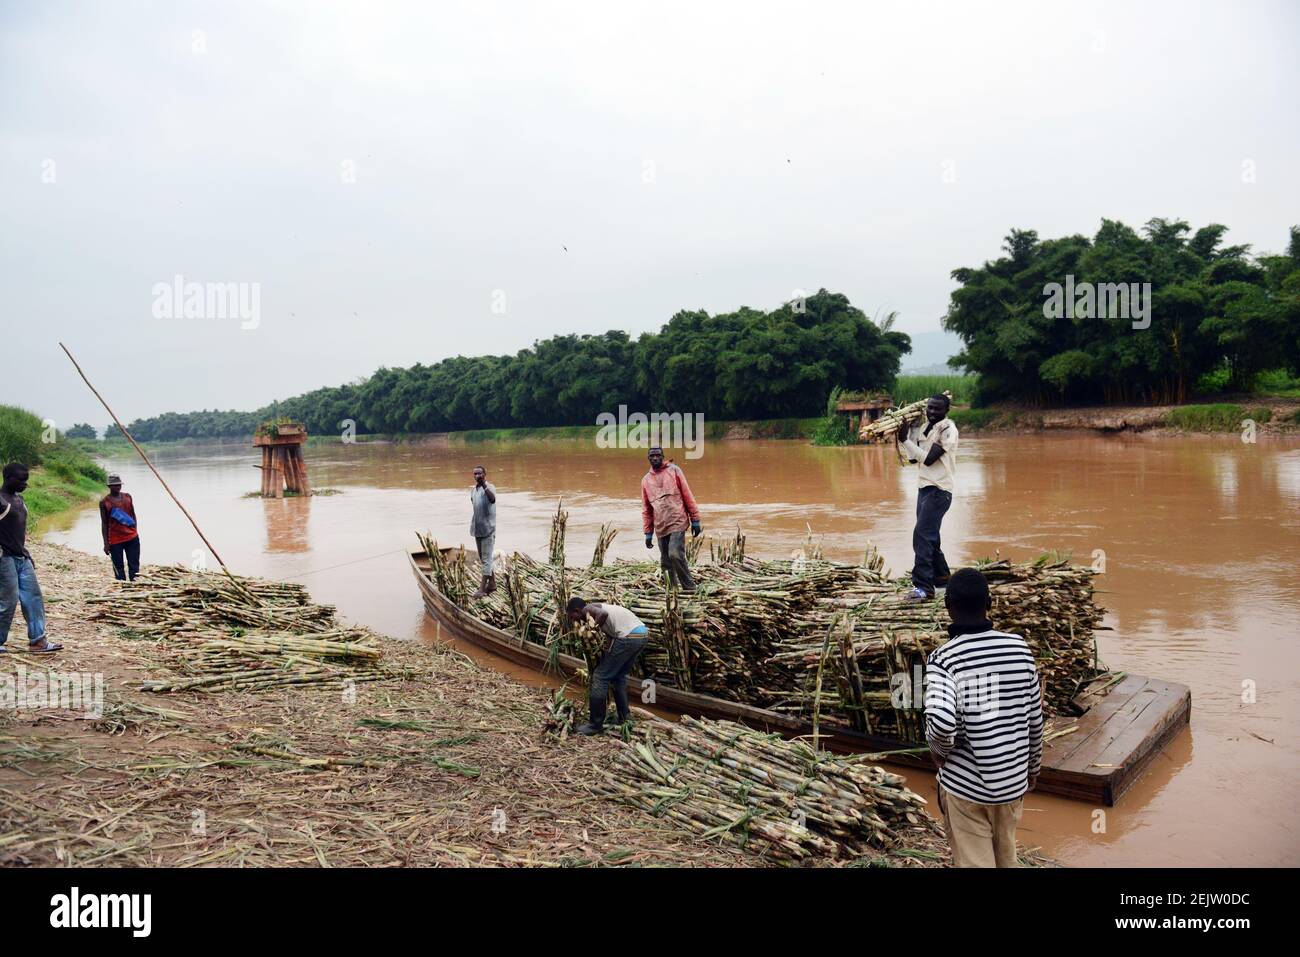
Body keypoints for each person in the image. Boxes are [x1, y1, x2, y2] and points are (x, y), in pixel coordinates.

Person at [924, 567, 1042, 868]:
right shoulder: (1020, 650)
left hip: (968, 788)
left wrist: (939, 754)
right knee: (1006, 858)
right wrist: (1032, 769)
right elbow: (1034, 719)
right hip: (1012, 783)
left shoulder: (945, 658)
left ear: (948, 606)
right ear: (989, 603)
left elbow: (940, 723)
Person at [897, 394, 958, 600]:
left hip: (940, 490)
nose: (932, 412)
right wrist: (909, 434)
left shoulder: (948, 429)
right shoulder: (924, 428)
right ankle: (941, 577)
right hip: (924, 489)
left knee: (922, 536)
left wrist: (905, 439)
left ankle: (924, 588)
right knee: (931, 536)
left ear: (946, 410)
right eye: (930, 408)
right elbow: (915, 459)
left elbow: (930, 459)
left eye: (937, 409)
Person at [0, 463, 62, 654]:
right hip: (4, 558)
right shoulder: (0, 500)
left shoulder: (19, 500)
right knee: (8, 601)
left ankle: (38, 641)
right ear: (8, 477)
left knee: (33, 597)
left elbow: (18, 531)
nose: (25, 483)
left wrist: (26, 552)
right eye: (21, 479)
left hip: (21, 557)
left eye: (26, 480)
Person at [566, 596, 649, 736]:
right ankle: (624, 717)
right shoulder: (598, 608)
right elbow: (612, 632)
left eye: (572, 616)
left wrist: (591, 629)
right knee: (618, 677)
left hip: (629, 637)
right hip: (641, 635)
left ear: (577, 610)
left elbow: (603, 616)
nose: (573, 620)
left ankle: (595, 724)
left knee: (600, 676)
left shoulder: (588, 609)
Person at [640, 446, 702, 592]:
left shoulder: (674, 471)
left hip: (677, 519)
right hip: (661, 525)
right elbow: (646, 509)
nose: (655, 458)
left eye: (658, 455)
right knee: (665, 561)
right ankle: (671, 590)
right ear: (648, 459)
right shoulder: (646, 480)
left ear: (663, 456)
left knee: (675, 553)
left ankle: (689, 587)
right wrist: (648, 533)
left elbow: (687, 494)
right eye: (652, 456)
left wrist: (695, 519)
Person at [100, 473, 140, 581]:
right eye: (115, 485)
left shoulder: (127, 497)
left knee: (134, 565)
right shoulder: (104, 502)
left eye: (119, 484)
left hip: (132, 537)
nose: (117, 487)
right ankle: (123, 588)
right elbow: (104, 523)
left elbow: (133, 514)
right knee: (118, 567)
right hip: (115, 539)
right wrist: (106, 543)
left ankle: (135, 585)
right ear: (109, 486)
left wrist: (135, 530)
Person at [469, 465, 497, 599]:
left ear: (485, 474)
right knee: (483, 559)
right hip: (477, 529)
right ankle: (492, 584)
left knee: (486, 560)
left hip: (488, 529)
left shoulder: (490, 487)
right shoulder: (473, 491)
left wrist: (484, 485)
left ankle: (482, 589)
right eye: (475, 474)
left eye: (480, 474)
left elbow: (492, 499)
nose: (477, 476)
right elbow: (474, 505)